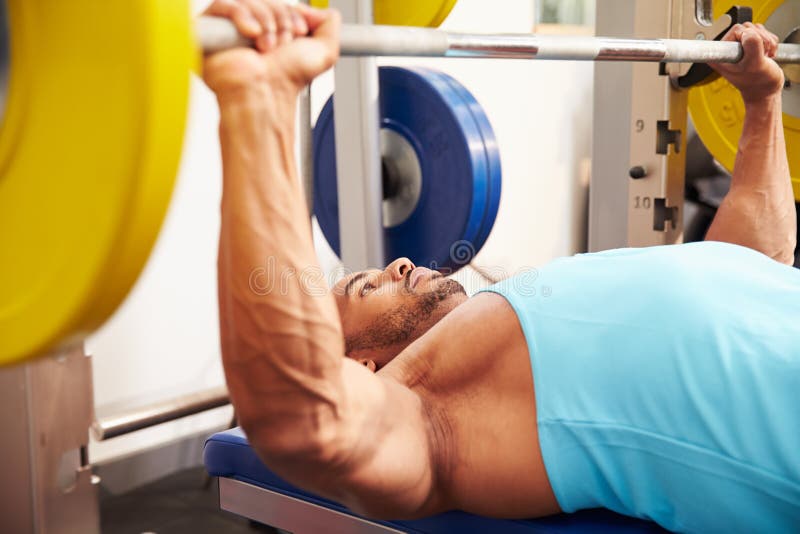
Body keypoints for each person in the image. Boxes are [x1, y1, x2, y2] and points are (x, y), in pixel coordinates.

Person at [203, 1, 800, 531]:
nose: (400, 261)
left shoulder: (526, 306)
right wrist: (258, 102)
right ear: (358, 364)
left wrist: (762, 100)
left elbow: (752, 261)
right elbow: (302, 412)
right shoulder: (430, 417)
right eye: (367, 285)